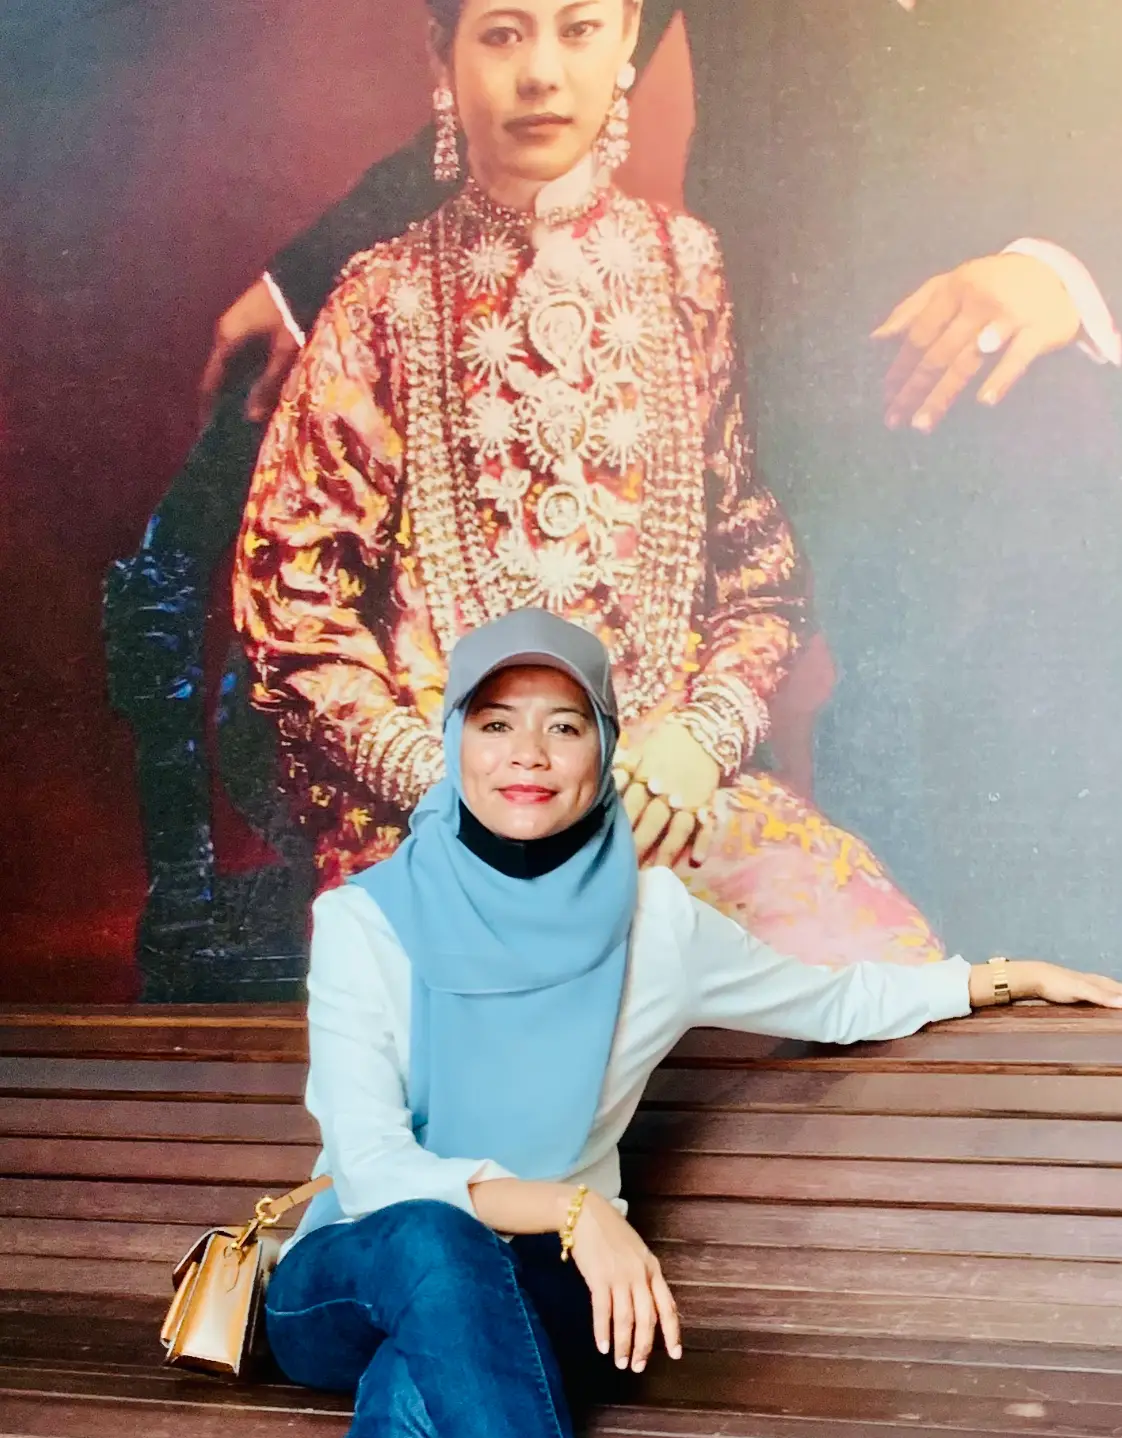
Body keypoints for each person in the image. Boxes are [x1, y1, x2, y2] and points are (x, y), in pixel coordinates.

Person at [265, 605, 1122, 1438]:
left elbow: (836, 999)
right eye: (495, 723)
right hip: (351, 1274)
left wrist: (1005, 977)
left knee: (420, 1384)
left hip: (537, 1300)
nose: (528, 754)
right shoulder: (365, 921)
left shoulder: (660, 926)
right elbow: (374, 1172)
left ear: (605, 746)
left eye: (564, 725)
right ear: (454, 740)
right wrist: (574, 1210)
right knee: (431, 1238)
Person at [233, 0, 943, 968]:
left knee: (870, 985)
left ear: (627, 38)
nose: (541, 73)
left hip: (665, 804)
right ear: (442, 55)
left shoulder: (689, 274)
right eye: (502, 34)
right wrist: (453, 785)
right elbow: (296, 617)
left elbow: (758, 574)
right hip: (450, 828)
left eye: (576, 30)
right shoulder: (379, 302)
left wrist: (699, 740)